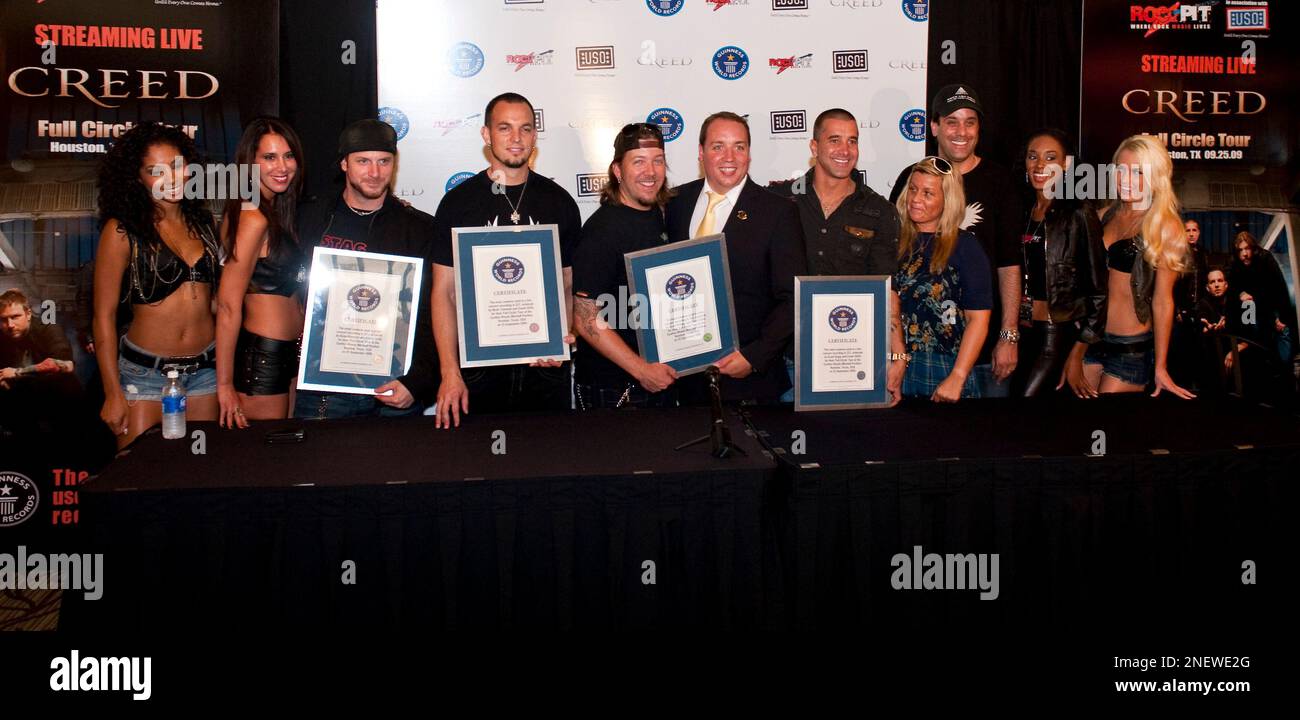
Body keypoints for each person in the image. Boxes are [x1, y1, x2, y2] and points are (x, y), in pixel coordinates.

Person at [432, 92, 582, 428]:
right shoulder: (458, 204)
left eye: (525, 129)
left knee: (548, 469)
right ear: (486, 135)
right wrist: (449, 371)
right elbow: (444, 292)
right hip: (479, 374)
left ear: (535, 136)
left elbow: (568, 281)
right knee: (478, 470)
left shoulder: (560, 203)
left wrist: (564, 334)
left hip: (545, 373)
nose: (516, 139)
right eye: (505, 128)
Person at [294, 119, 440, 419]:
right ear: (344, 164)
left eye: (384, 161)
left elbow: (435, 311)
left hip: (394, 391)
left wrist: (418, 382)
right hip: (323, 391)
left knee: (393, 468)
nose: (374, 173)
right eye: (363, 161)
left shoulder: (419, 229)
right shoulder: (308, 219)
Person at [664, 111, 807, 404]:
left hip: (750, 383)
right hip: (685, 380)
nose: (729, 156)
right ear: (701, 153)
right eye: (718, 146)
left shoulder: (778, 212)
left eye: (739, 146)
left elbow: (793, 298)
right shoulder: (675, 202)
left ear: (749, 154)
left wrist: (753, 357)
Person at [93, 121, 222, 447]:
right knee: (137, 484)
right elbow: (102, 317)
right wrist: (112, 393)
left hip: (205, 373)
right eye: (156, 170)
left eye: (177, 166)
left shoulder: (205, 223)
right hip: (144, 377)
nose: (171, 178)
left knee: (197, 481)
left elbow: (217, 303)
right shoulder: (121, 230)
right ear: (137, 177)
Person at [889, 84, 1022, 397]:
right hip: (910, 357)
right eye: (952, 121)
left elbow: (1009, 264)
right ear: (935, 127)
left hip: (979, 349)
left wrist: (1009, 335)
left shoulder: (1000, 182)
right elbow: (891, 284)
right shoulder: (912, 176)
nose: (961, 131)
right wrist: (896, 355)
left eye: (970, 122)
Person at [768, 108, 907, 405]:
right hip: (786, 358)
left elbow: (887, 290)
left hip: (851, 355)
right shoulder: (780, 201)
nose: (845, 150)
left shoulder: (880, 211)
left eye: (852, 141)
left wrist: (897, 354)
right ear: (814, 147)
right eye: (834, 140)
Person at [1060, 134, 1195, 399]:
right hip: (1091, 341)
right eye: (1120, 170)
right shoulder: (1105, 215)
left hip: (1129, 350)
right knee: (1079, 430)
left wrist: (1161, 366)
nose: (1126, 180)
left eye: (1137, 172)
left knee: (1110, 433)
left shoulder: (1165, 227)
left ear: (1155, 176)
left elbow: (1163, 301)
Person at [571, 123, 679, 409]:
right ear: (618, 171)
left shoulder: (660, 215)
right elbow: (584, 317)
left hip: (657, 379)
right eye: (639, 162)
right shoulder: (602, 230)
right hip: (616, 389)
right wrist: (641, 369)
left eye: (658, 161)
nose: (651, 171)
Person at [215, 118, 308, 428]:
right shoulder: (252, 218)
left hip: (287, 353)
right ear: (249, 163)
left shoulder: (274, 211)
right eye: (269, 157)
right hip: (262, 358)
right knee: (265, 461)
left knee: (283, 459)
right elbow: (227, 304)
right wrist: (225, 385)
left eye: (288, 155)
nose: (282, 166)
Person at [1011, 129, 1106, 397]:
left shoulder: (1078, 211)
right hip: (1025, 331)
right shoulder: (1024, 210)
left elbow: (1099, 290)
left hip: (1058, 334)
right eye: (1033, 157)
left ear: (1066, 165)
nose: (1040, 165)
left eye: (1050, 158)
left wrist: (1077, 354)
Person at [893, 156, 992, 401]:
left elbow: (977, 320)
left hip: (945, 367)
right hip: (895, 365)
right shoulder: (892, 243)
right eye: (913, 189)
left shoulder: (965, 246)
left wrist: (958, 376)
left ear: (948, 199)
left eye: (928, 193)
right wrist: (895, 359)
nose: (915, 199)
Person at [1229, 230, 1293, 363]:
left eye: (1247, 249)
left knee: (1283, 353)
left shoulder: (1265, 258)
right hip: (1255, 309)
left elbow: (1280, 288)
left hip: (1274, 309)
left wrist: (1282, 318)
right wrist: (1241, 293)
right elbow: (1233, 287)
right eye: (1240, 250)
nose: (1244, 254)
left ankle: (1286, 376)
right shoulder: (1237, 264)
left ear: (1253, 248)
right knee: (1257, 347)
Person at [0, 289, 77, 390]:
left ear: (28, 314)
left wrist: (17, 372)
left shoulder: (49, 330)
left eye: (15, 317)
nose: (10, 325)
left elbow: (67, 366)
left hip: (58, 396)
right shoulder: (2, 336)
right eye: (4, 319)